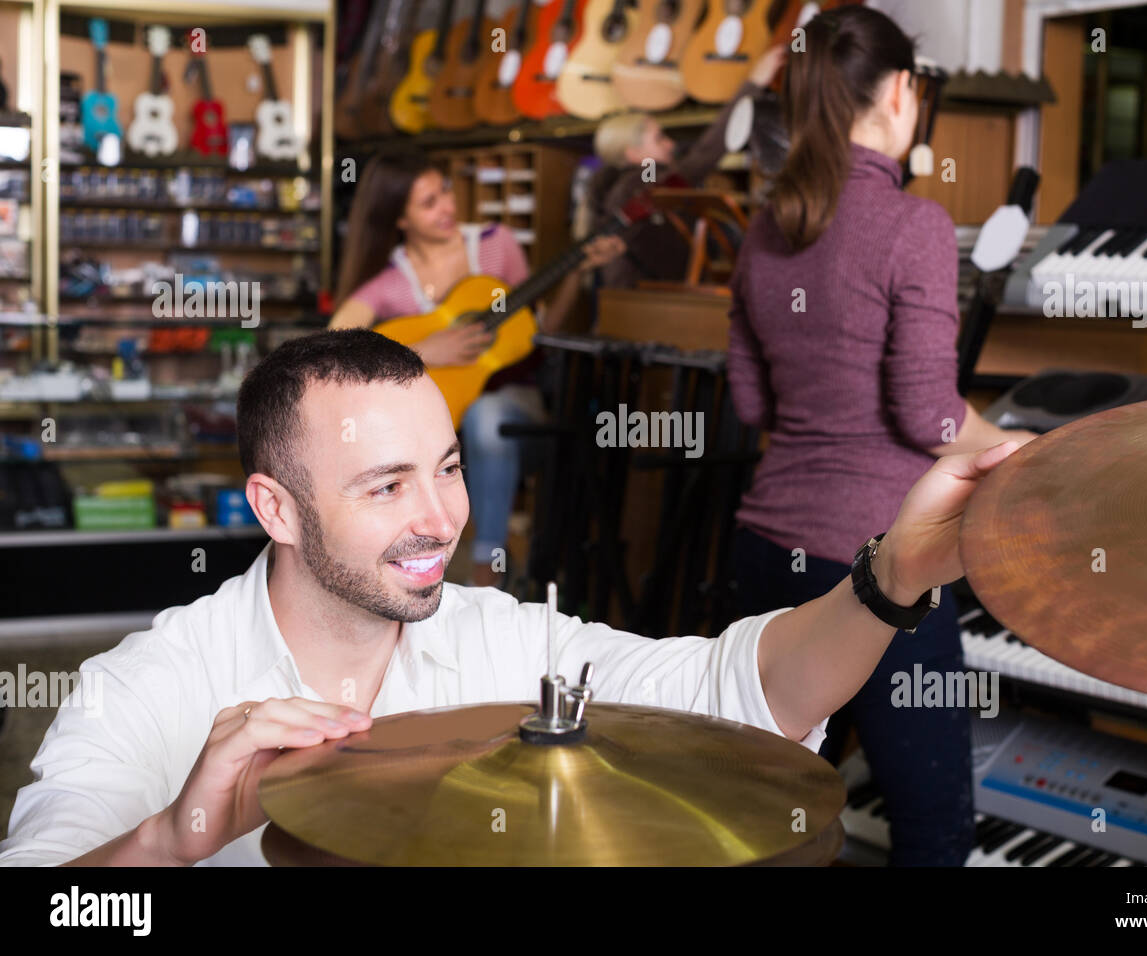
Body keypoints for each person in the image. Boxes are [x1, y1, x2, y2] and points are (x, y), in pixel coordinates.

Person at [0, 329, 1024, 866]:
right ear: (275, 506)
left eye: (446, 467)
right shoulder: (142, 686)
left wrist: (890, 578)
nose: (441, 516)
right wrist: (172, 836)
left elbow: (739, 687)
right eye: (384, 484)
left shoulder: (505, 637)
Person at [725, 6, 1038, 866]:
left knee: (770, 817)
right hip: (883, 568)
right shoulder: (915, 226)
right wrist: (1024, 449)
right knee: (933, 828)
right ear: (902, 92)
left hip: (766, 550)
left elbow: (751, 404)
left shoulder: (762, 232)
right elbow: (928, 414)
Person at [329, 150, 625, 588]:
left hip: (511, 408)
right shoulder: (392, 282)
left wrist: (576, 273)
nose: (447, 207)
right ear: (399, 218)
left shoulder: (494, 244)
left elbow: (542, 327)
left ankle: (489, 569)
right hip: (435, 423)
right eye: (428, 203)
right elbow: (330, 349)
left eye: (444, 191)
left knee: (487, 419)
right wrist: (424, 349)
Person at [586, 46, 786, 290]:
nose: (671, 144)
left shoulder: (620, 188)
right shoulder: (641, 183)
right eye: (660, 139)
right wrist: (754, 83)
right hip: (648, 316)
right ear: (633, 152)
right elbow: (702, 157)